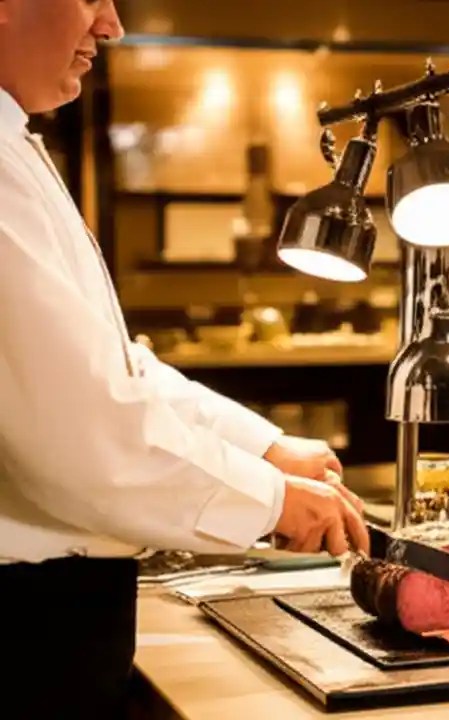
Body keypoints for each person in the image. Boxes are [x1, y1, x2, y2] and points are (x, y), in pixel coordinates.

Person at [0, 2, 370, 716]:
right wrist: (271, 501)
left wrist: (266, 447)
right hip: (24, 624)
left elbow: (113, 370)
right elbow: (81, 434)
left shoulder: (13, 142)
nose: (110, 26)